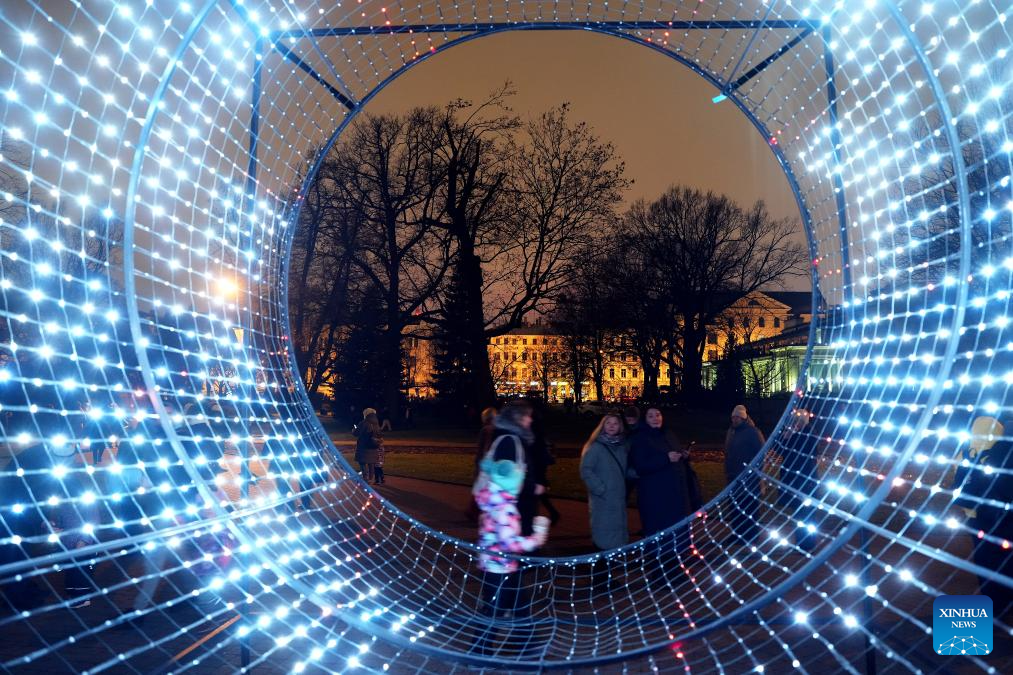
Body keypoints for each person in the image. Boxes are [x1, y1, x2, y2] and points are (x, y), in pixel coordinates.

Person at [472, 417, 549, 656]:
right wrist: (536, 537)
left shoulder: (494, 500)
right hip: (499, 566)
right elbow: (510, 542)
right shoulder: (504, 508)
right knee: (494, 609)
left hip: (501, 565)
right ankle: (478, 652)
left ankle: (526, 645)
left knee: (518, 603)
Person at [954, 416, 1012, 621]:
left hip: (976, 515)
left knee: (985, 559)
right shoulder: (1002, 451)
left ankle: (994, 605)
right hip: (1001, 515)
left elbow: (956, 474)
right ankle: (1002, 602)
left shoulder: (968, 449)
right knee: (1003, 560)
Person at [629, 408, 691, 540]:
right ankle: (659, 555)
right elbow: (641, 466)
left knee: (675, 527)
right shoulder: (640, 438)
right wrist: (666, 458)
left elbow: (675, 453)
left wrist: (683, 455)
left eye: (658, 415)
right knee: (659, 529)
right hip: (654, 493)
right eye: (650, 416)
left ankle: (677, 553)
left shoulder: (668, 434)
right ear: (644, 420)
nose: (655, 418)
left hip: (674, 492)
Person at [579, 414, 630, 550]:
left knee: (616, 527)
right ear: (603, 426)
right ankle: (601, 561)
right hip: (602, 498)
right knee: (603, 529)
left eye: (615, 423)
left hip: (618, 497)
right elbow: (586, 470)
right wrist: (600, 489)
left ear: (620, 426)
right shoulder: (596, 447)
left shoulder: (622, 447)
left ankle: (611, 559)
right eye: (608, 423)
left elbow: (624, 470)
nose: (612, 426)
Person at [776, 408, 821, 550]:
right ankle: (801, 541)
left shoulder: (809, 434)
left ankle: (808, 543)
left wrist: (792, 437)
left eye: (798, 422)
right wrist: (784, 437)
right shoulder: (793, 433)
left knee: (807, 513)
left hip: (805, 480)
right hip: (793, 480)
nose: (796, 424)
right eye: (795, 421)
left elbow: (810, 452)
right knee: (798, 513)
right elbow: (780, 450)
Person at [724, 404, 766, 541]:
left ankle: (751, 535)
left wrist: (755, 472)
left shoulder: (753, 432)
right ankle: (737, 533)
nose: (735, 419)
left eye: (738, 417)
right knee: (735, 507)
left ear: (743, 417)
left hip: (749, 477)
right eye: (733, 417)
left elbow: (761, 452)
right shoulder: (732, 432)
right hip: (733, 476)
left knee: (749, 507)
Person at [353, 408, 382, 483]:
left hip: (364, 445)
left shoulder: (364, 423)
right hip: (373, 445)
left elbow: (356, 433)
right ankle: (370, 478)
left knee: (362, 462)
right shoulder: (376, 423)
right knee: (371, 462)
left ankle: (365, 478)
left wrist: (354, 430)